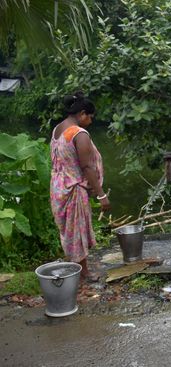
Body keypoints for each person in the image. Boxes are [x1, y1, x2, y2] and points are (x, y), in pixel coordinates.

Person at [50, 91, 110, 282]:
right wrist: (101, 195)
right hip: (73, 188)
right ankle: (83, 272)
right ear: (82, 113)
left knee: (69, 229)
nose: (91, 121)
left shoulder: (58, 129)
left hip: (59, 186)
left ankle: (78, 267)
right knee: (77, 229)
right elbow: (86, 167)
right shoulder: (79, 134)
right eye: (90, 117)